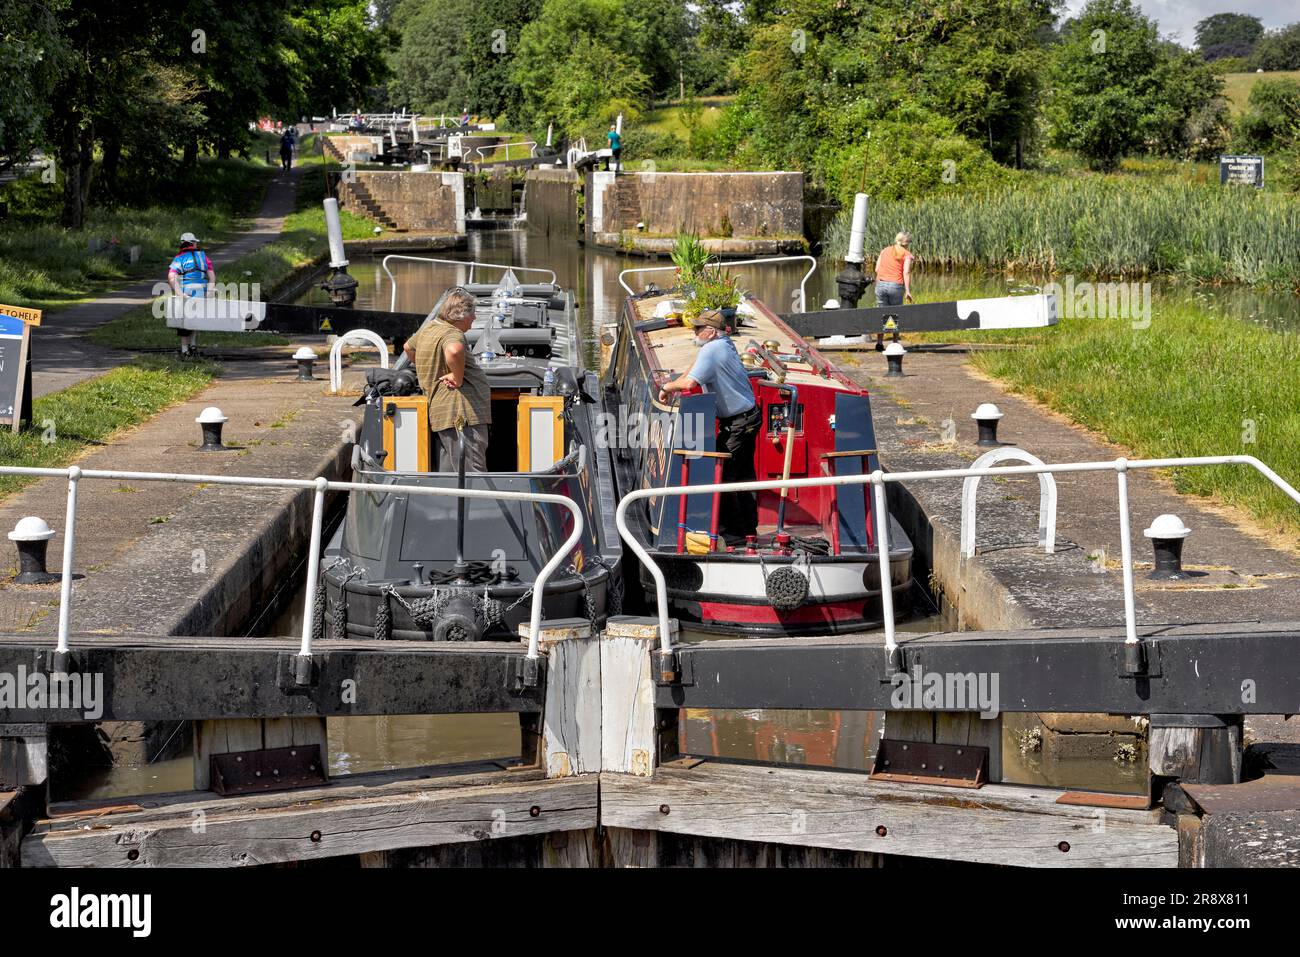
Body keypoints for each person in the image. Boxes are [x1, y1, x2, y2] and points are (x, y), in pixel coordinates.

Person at [657, 309, 759, 545]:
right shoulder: (724, 343)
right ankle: (749, 530)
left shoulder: (712, 350)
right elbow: (694, 367)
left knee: (723, 476)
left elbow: (690, 382)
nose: (693, 331)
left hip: (738, 423)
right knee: (744, 478)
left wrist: (666, 387)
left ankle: (736, 534)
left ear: (710, 332)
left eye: (697, 328)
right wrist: (677, 380)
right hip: (749, 417)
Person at [402, 288, 492, 472]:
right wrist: (457, 377)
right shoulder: (452, 333)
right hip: (463, 415)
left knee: (449, 472)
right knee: (471, 474)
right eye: (472, 313)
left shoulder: (430, 329)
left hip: (442, 414)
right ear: (461, 316)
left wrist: (427, 365)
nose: (474, 318)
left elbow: (408, 348)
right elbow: (454, 350)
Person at [167, 233, 215, 298]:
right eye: (195, 242)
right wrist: (209, 291)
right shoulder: (203, 256)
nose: (196, 244)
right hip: (203, 290)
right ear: (193, 243)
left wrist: (180, 294)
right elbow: (212, 277)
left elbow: (171, 277)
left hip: (187, 291)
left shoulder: (179, 258)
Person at [874, 231, 914, 307]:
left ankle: (882, 319)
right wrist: (907, 291)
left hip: (880, 285)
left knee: (882, 313)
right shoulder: (906, 254)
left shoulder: (884, 250)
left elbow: (877, 269)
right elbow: (906, 272)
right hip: (895, 286)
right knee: (895, 313)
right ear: (907, 243)